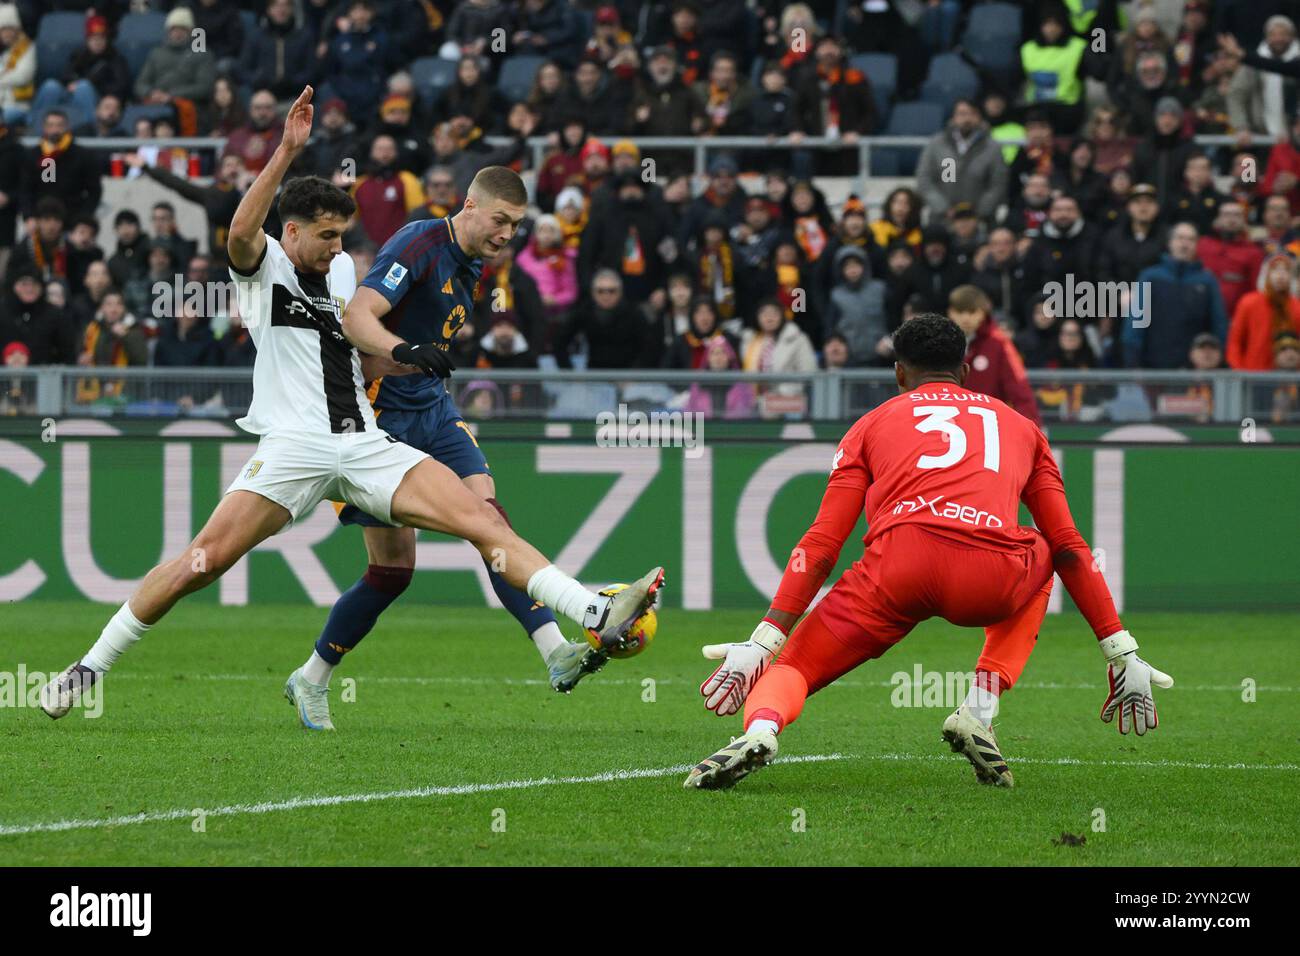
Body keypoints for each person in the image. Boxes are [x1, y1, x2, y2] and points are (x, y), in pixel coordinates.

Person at [40, 87, 663, 723]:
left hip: (366, 440)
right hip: (294, 447)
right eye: (327, 236)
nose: (339, 249)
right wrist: (285, 151)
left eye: (342, 235)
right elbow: (239, 230)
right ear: (292, 233)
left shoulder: (340, 276)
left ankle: (590, 610)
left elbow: (360, 341)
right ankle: (90, 666)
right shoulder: (264, 272)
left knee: (485, 523)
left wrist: (408, 357)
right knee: (201, 563)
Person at [683, 314, 1173, 791]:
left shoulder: (871, 424)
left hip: (897, 571)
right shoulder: (1022, 427)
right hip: (992, 576)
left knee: (793, 666)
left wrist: (764, 640)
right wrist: (1119, 648)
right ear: (965, 370)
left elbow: (822, 542)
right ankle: (978, 711)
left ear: (899, 372)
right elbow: (1070, 548)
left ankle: (761, 731)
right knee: (1043, 551)